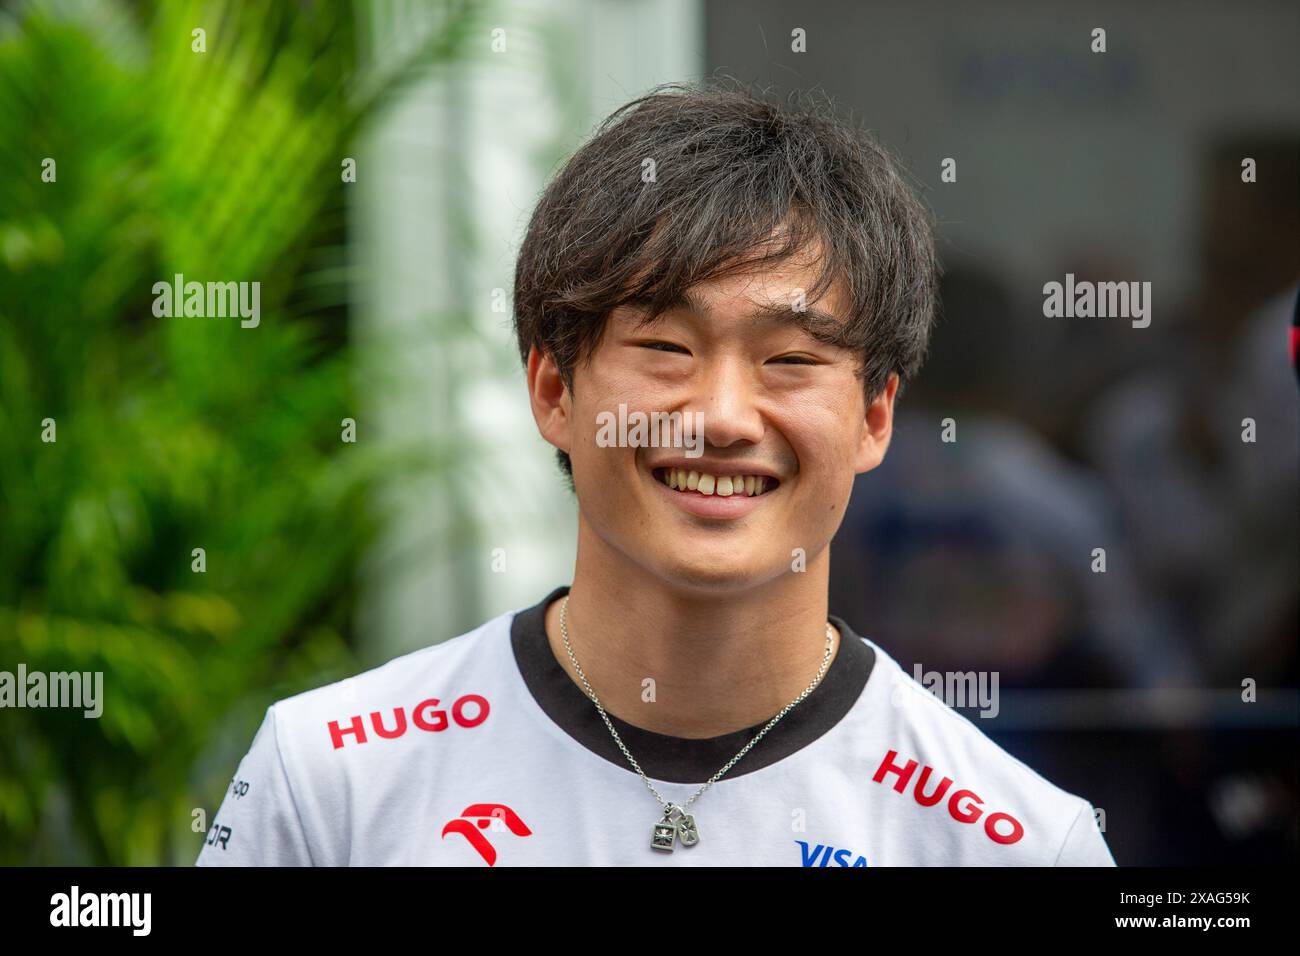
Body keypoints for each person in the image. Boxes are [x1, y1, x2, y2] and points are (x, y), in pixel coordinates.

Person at [196, 80, 1115, 866]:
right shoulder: (334, 777)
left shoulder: (1012, 841)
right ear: (554, 388)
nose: (721, 417)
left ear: (874, 416)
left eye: (791, 360)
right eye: (666, 347)